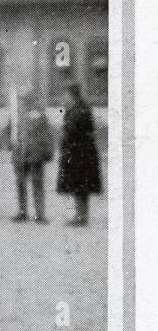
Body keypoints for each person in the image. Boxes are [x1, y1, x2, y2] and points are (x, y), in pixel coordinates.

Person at [56, 82, 102, 225]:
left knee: (80, 186)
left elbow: (73, 131)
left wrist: (64, 136)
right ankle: (80, 215)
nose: (64, 97)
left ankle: (81, 217)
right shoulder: (78, 109)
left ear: (72, 95)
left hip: (80, 154)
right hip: (79, 153)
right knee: (79, 186)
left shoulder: (78, 111)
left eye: (66, 94)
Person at [11, 88, 53, 224]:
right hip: (22, 154)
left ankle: (37, 214)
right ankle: (26, 212)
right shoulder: (18, 116)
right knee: (23, 184)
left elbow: (46, 136)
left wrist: (46, 152)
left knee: (35, 184)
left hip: (34, 156)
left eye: (24, 100)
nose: (22, 102)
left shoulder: (39, 115)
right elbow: (11, 132)